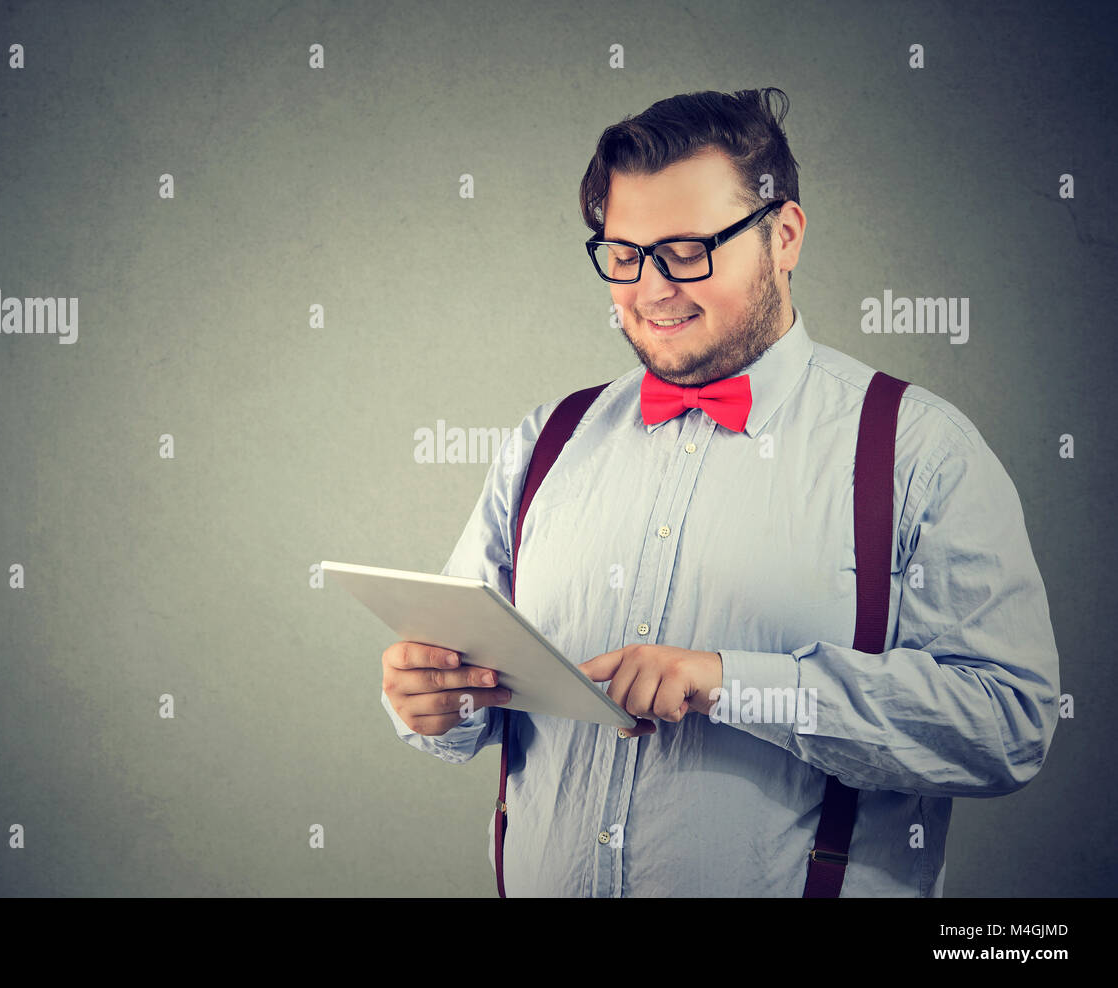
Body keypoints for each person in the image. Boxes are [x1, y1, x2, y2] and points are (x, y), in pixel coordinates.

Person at [379, 88, 1060, 896]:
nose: (653, 290)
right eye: (625, 255)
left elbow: (1008, 725)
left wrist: (738, 684)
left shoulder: (919, 450)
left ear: (784, 236)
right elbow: (469, 696)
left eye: (689, 249)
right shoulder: (545, 439)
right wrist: (432, 702)